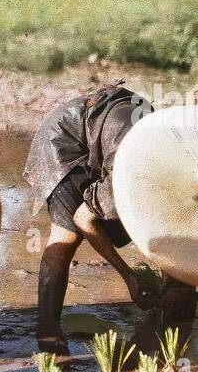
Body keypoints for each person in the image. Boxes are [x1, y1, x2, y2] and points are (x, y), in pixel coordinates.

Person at [23, 82, 176, 353]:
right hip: (63, 142)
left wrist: (173, 280)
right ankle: (47, 327)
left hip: (106, 128)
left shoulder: (173, 164)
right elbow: (85, 219)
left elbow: (167, 224)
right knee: (66, 236)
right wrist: (129, 276)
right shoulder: (130, 175)